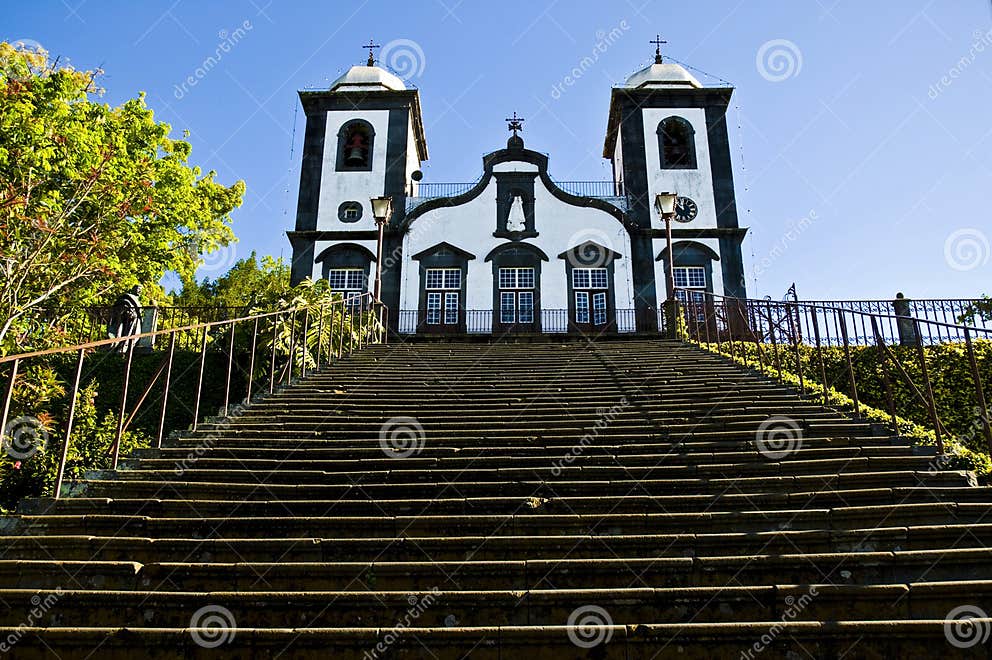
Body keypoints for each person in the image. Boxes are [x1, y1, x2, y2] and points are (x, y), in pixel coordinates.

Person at [107, 285, 143, 352]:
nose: (139, 291)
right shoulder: (127, 297)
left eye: (141, 290)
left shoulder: (137, 300)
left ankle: (126, 347)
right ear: (133, 289)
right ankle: (120, 347)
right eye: (138, 289)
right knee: (122, 332)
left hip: (133, 320)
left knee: (134, 333)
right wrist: (127, 311)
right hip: (125, 319)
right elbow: (121, 307)